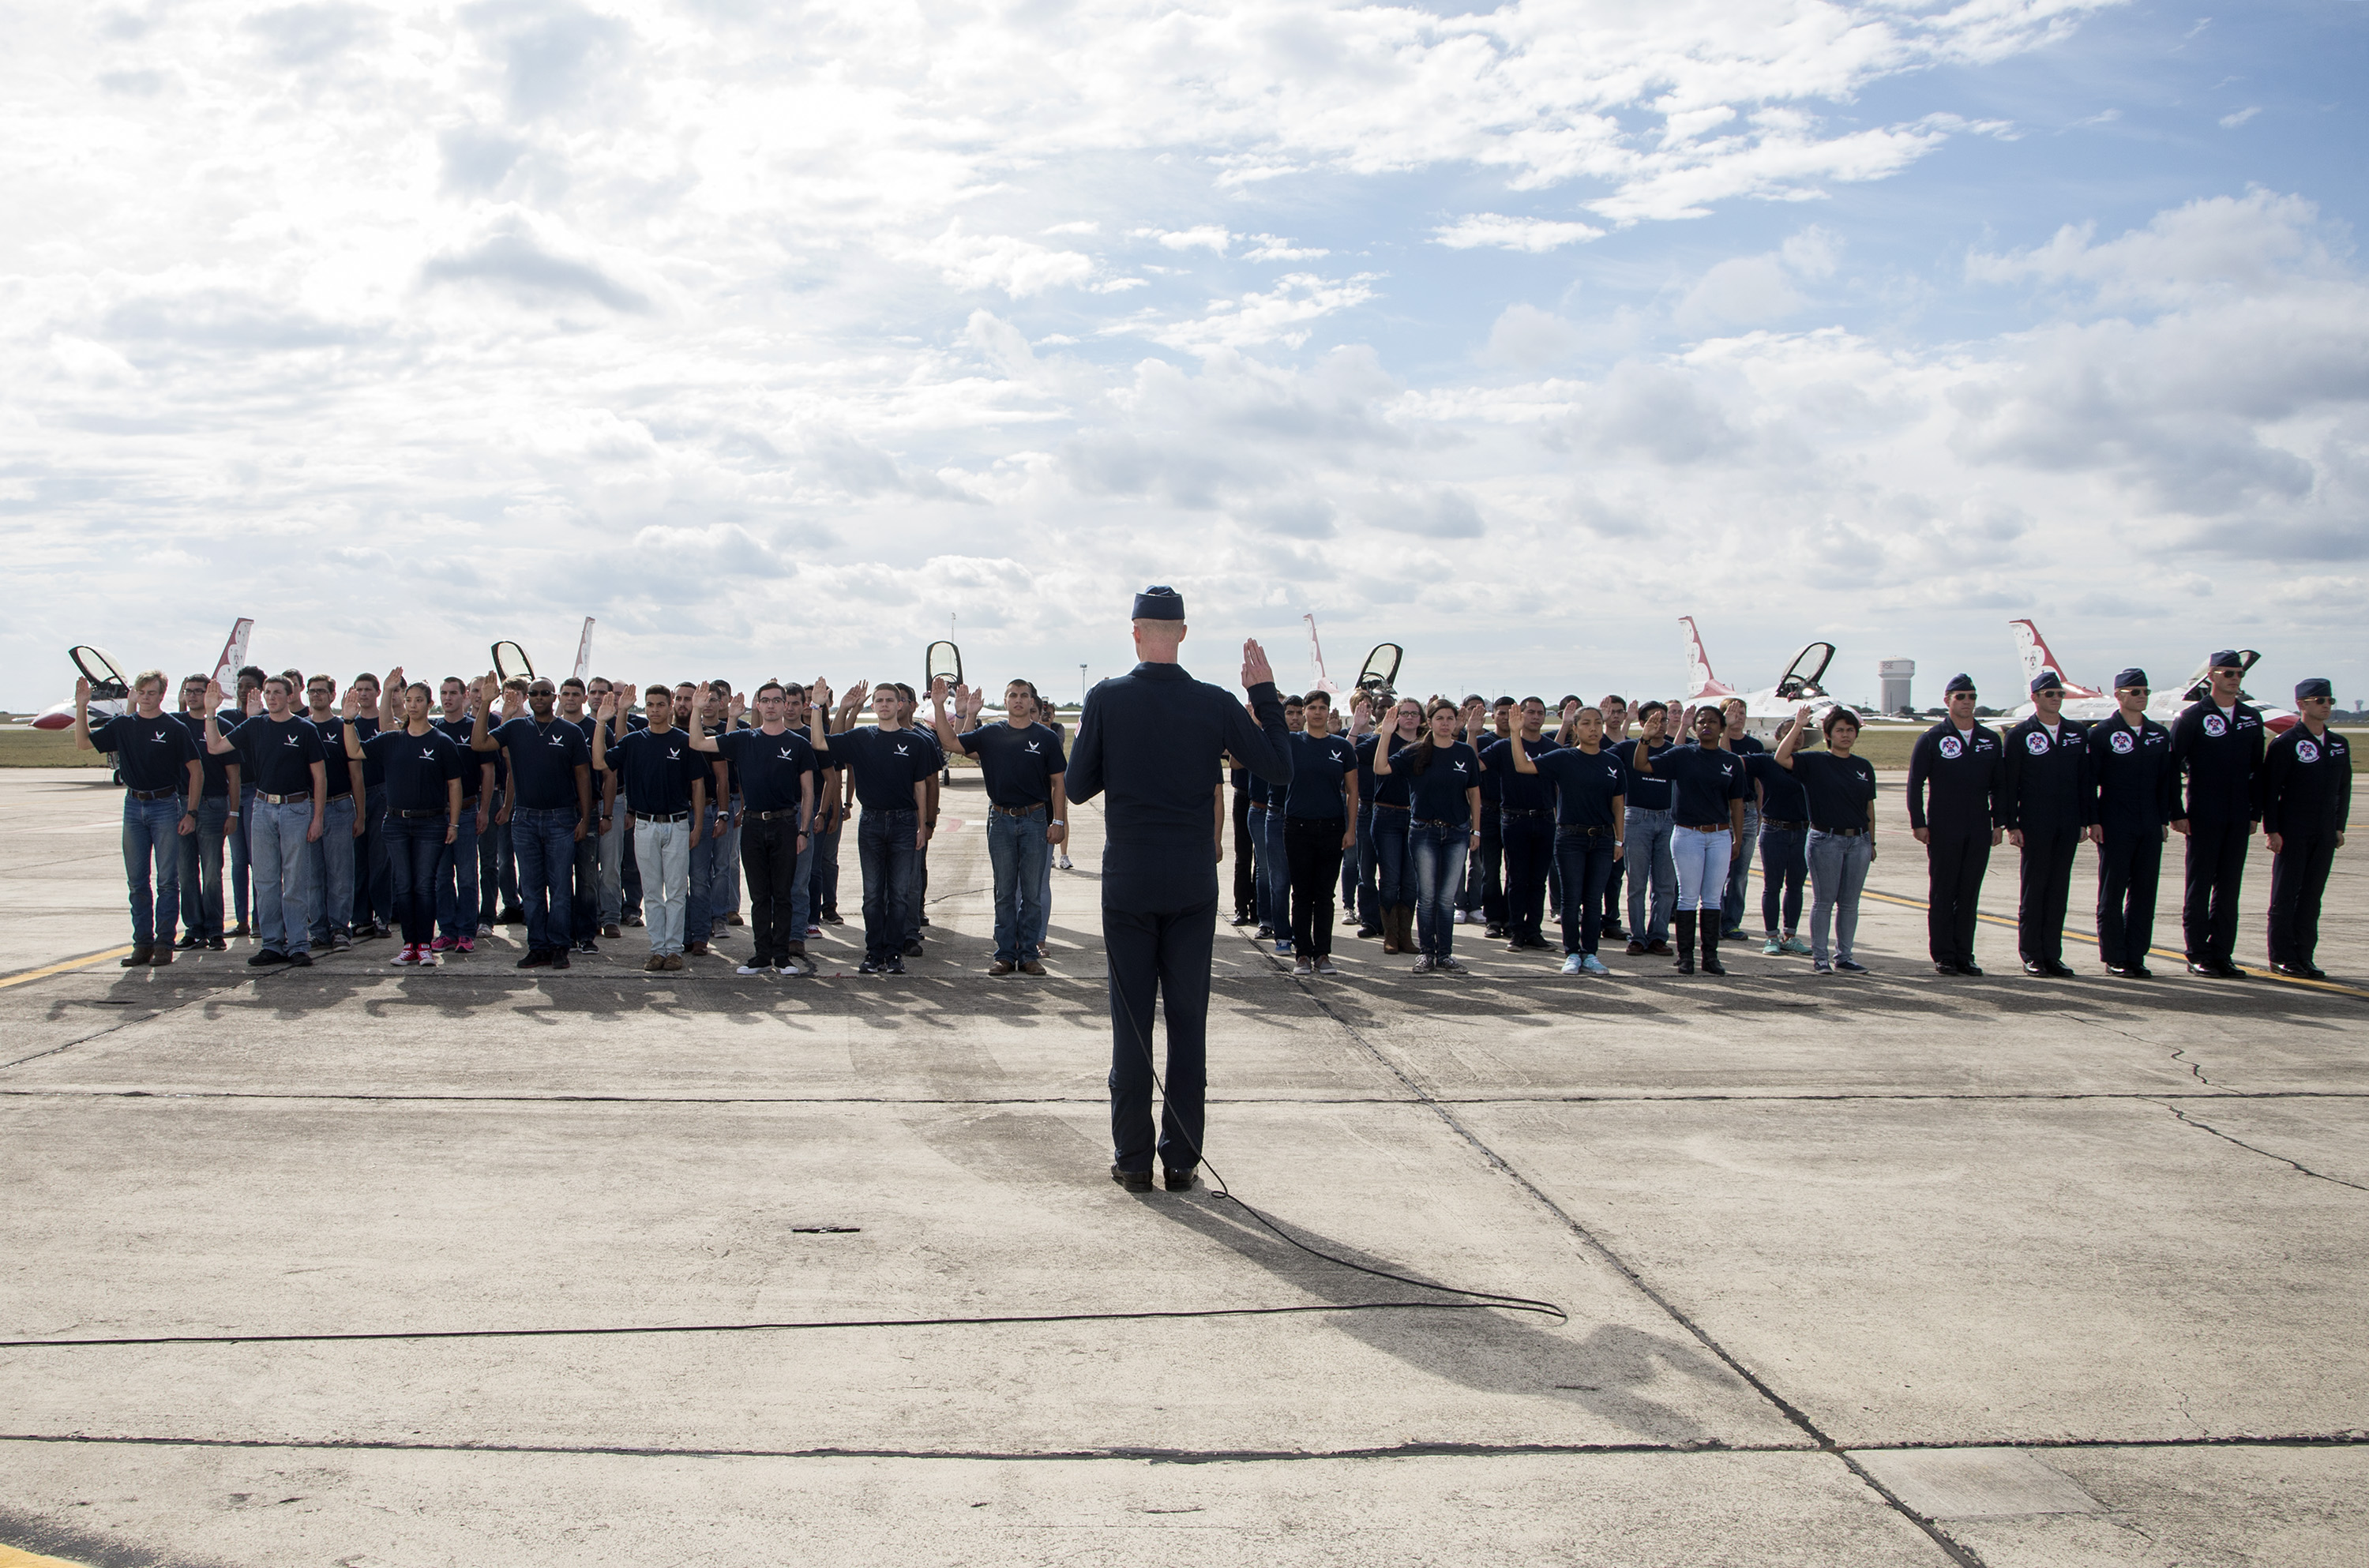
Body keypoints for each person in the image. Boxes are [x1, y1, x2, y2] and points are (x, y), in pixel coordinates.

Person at [1063, 586, 1291, 1191]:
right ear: (1184, 633)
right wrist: (1264, 695)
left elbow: (1077, 788)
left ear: (1135, 632)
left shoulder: (1107, 697)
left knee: (1132, 1026)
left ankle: (1134, 1160)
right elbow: (1279, 766)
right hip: (1191, 881)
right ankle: (1183, 1160)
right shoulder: (1215, 702)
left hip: (1130, 881)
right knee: (1189, 1025)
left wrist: (1098, 737)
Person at [933, 677, 1067, 976]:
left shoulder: (1045, 738)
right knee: (1004, 892)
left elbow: (1059, 782)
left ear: (1032, 701)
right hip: (1001, 819)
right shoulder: (991, 734)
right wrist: (941, 707)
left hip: (1035, 820)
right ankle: (1005, 954)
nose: (1018, 700)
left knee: (1032, 893)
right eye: (1012, 695)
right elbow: (951, 743)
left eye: (1023, 695)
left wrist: (1057, 821)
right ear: (1005, 701)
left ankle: (1029, 954)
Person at [690, 680, 817, 976]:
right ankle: (761, 956)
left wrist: (803, 831)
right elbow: (697, 743)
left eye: (777, 700)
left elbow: (808, 792)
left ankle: (782, 957)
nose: (771, 705)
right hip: (752, 825)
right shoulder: (743, 739)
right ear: (758, 705)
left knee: (782, 894)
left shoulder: (799, 744)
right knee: (759, 895)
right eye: (766, 701)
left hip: (785, 824)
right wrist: (696, 710)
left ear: (785, 705)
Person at [77, 670, 201, 967]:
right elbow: (83, 744)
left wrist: (191, 812)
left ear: (162, 695)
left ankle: (164, 943)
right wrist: (82, 705)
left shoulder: (174, 728)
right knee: (137, 881)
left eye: (152, 693)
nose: (146, 698)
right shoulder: (123, 725)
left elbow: (197, 771)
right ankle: (142, 944)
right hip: (133, 806)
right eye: (142, 693)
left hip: (165, 805)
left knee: (167, 881)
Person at [203, 673, 327, 967]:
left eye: (277, 692)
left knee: (295, 880)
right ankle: (271, 944)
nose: (271, 697)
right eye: (268, 692)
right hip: (262, 808)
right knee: (266, 880)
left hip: (295, 808)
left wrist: (317, 818)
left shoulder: (305, 729)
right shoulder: (255, 726)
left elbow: (320, 777)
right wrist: (211, 713)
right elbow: (215, 747)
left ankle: (298, 944)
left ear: (289, 696)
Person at [472, 673, 594, 970]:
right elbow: (479, 743)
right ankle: (538, 947)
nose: (540, 698)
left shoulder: (570, 732)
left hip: (561, 819)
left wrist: (584, 818)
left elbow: (583, 776)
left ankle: (560, 946)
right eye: (535, 693)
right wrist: (486, 703)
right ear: (528, 698)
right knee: (531, 888)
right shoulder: (515, 728)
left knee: (561, 887)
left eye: (545, 693)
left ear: (554, 698)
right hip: (525, 819)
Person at [343, 672, 464, 967]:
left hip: (431, 824)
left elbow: (454, 785)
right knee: (404, 886)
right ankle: (409, 945)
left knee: (424, 885)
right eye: (409, 699)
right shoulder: (391, 740)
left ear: (429, 704)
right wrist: (347, 721)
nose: (412, 705)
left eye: (419, 700)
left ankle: (425, 945)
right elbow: (355, 750)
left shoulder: (442, 742)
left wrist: (454, 823)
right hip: (396, 824)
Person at [814, 681, 933, 975]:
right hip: (871, 823)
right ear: (873, 705)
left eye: (890, 700)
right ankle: (874, 952)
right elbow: (821, 743)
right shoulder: (861, 737)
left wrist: (922, 826)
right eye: (879, 700)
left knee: (899, 894)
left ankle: (893, 954)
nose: (884, 705)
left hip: (905, 823)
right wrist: (823, 707)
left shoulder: (916, 742)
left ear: (900, 705)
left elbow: (921, 787)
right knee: (872, 895)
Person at [592, 682, 705, 971]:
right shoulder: (634, 742)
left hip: (678, 824)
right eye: (650, 705)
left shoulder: (685, 741)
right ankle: (657, 950)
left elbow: (698, 786)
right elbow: (599, 762)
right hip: (644, 825)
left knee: (676, 891)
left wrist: (698, 827)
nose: (655, 710)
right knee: (652, 892)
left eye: (660, 705)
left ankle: (674, 951)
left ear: (670, 706)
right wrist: (602, 722)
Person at [1627, 705, 1745, 975]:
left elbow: (1737, 803)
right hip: (1688, 834)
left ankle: (1710, 957)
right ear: (1694, 727)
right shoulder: (1682, 755)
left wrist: (1737, 838)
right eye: (1701, 721)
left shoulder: (1732, 762)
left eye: (1712, 722)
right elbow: (1641, 765)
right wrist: (1644, 739)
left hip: (1719, 835)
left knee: (1712, 898)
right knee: (1688, 897)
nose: (1706, 725)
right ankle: (1686, 956)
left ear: (1722, 728)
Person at [2170, 652, 2268, 979]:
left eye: (2239, 673)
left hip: (2238, 814)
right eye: (2228, 673)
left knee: (2229, 887)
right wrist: (2176, 812)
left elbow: (2257, 769)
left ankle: (2223, 953)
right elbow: (2172, 766)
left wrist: (2255, 812)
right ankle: (2198, 953)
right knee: (2199, 886)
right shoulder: (2193, 717)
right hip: (2203, 813)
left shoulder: (2250, 718)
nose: (2235, 678)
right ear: (2211, 675)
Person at [1508, 701, 1623, 975]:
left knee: (1594, 900)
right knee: (1571, 900)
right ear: (1575, 728)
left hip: (1603, 839)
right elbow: (1523, 766)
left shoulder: (1613, 762)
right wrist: (1514, 732)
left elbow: (1618, 803)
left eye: (1598, 723)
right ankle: (1572, 952)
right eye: (1586, 723)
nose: (1593, 729)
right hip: (1571, 838)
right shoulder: (1563, 757)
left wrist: (1619, 840)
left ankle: (1590, 953)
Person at [1372, 699, 1482, 973]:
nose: (1445, 723)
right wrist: (1386, 734)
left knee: (1446, 899)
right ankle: (1427, 953)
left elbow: (1474, 794)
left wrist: (1475, 830)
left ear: (1456, 722)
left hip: (1457, 833)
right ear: (1429, 722)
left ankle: (1445, 954)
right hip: (1424, 832)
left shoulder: (1465, 753)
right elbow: (1381, 768)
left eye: (1450, 718)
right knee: (1428, 897)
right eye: (1439, 718)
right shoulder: (1415, 752)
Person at [1906, 675, 2005, 976]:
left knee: (1969, 893)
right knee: (1943, 891)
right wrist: (1918, 823)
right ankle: (1944, 954)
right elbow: (1915, 783)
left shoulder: (1990, 739)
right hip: (1943, 825)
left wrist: (1998, 822)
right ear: (1947, 700)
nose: (1967, 702)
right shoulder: (1932, 738)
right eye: (1960, 696)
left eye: (1971, 696)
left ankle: (1964, 954)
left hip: (1978, 825)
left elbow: (1999, 785)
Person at [1999, 670, 2096, 978]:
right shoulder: (2020, 735)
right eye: (2049, 694)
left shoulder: (2076, 733)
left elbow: (2085, 781)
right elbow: (2009, 784)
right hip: (2034, 823)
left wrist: (2086, 820)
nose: (2056, 698)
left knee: (2058, 890)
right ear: (2035, 698)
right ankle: (2032, 954)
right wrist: (2011, 824)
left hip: (2067, 822)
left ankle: (2053, 954)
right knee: (2035, 889)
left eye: (2059, 694)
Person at [1774, 705, 1879, 974]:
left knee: (1850, 903)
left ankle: (1845, 956)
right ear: (1828, 735)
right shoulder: (1815, 762)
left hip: (1858, 841)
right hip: (1826, 840)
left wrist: (1871, 842)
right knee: (1824, 901)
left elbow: (1869, 807)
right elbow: (1782, 757)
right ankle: (1821, 957)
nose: (1846, 735)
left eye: (1850, 730)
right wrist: (1798, 725)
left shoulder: (1863, 767)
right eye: (1839, 730)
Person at [2088, 670, 2176, 977]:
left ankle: (2136, 954)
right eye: (2135, 691)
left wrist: (2163, 819)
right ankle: (2115, 955)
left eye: (2145, 691)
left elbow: (2166, 782)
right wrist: (2093, 820)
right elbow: (2089, 782)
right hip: (2115, 820)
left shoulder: (2158, 734)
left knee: (2144, 891)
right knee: (2112, 892)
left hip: (2149, 821)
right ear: (2119, 695)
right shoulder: (2102, 734)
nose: (2142, 696)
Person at [2260, 678, 2350, 980]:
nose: (2326, 706)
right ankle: (2282, 956)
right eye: (2320, 700)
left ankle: (2304, 955)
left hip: (2324, 831)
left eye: (2330, 701)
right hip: (2293, 829)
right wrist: (2272, 830)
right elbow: (2271, 791)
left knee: (2312, 896)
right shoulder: (2285, 743)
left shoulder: (2338, 744)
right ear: (2301, 704)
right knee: (2286, 895)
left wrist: (2339, 826)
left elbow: (2343, 789)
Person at [1278, 690, 1358, 977]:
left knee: (1325, 894)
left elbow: (1353, 792)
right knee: (1301, 894)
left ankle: (1322, 954)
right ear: (1304, 712)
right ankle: (1302, 954)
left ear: (1328, 712)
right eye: (1311, 708)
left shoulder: (1342, 747)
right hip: (1298, 827)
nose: (1316, 712)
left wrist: (1351, 829)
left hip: (1332, 828)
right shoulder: (1291, 743)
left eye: (1322, 708)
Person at [1481, 697, 1560, 952]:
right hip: (1514, 819)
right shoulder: (1504, 746)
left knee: (1538, 881)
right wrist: (1470, 733)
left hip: (1545, 819)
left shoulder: (1551, 748)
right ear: (1520, 715)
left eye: (1540, 713)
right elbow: (1475, 765)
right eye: (1531, 712)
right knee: (1517, 879)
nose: (1536, 717)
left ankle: (1533, 931)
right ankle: (1515, 931)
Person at [428, 677, 496, 954]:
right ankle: (447, 931)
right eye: (443, 693)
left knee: (467, 875)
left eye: (453, 693)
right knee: (441, 877)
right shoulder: (433, 730)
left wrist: (484, 810)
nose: (447, 698)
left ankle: (467, 931)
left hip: (468, 811)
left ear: (464, 695)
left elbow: (488, 771)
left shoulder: (474, 728)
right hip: (437, 815)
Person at [171, 672, 238, 953]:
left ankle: (214, 930)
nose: (193, 696)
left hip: (213, 805)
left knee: (211, 873)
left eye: (198, 691)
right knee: (185, 873)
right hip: (179, 804)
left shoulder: (222, 726)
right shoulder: (176, 725)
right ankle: (193, 929)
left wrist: (233, 813)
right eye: (188, 691)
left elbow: (234, 775)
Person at [300, 673, 366, 955]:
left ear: (332, 695)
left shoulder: (343, 727)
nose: (316, 695)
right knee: (312, 874)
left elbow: (356, 775)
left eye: (321, 691)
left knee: (340, 873)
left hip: (339, 806)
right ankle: (317, 930)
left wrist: (360, 815)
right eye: (312, 691)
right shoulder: (301, 728)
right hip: (306, 808)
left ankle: (340, 929)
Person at [1360, 694, 1424, 955]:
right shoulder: (1382, 739)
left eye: (1414, 713)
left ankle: (1405, 935)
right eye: (1404, 713)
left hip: (1417, 818)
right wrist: (1380, 732)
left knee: (1410, 881)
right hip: (1387, 816)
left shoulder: (1428, 744)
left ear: (1421, 719)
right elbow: (1351, 755)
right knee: (1390, 879)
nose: (1409, 718)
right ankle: (1389, 935)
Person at [1614, 702, 1678, 957]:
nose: (1659, 725)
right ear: (1642, 723)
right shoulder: (1627, 748)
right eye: (1653, 720)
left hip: (1668, 819)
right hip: (1637, 818)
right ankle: (1638, 937)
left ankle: (1658, 936)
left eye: (1663, 721)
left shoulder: (1674, 751)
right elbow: (1598, 753)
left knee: (1665, 885)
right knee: (1637, 884)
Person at [1744, 719, 1811, 958]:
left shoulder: (1809, 763)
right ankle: (1772, 937)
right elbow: (1729, 759)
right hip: (1775, 831)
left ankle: (1790, 936)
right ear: (1778, 737)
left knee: (1796, 886)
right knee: (1773, 886)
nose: (1798, 736)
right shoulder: (1766, 762)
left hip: (1802, 831)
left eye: (1801, 732)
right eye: (1791, 732)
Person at [347, 670, 392, 941]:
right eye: (359, 689)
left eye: (368, 689)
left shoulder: (384, 721)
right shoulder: (348, 723)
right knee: (358, 861)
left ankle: (382, 917)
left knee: (380, 860)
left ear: (377, 693)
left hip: (382, 794)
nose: (363, 694)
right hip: (354, 795)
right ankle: (360, 917)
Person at [1458, 696, 1508, 933]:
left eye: (1510, 712)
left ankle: (1509, 917)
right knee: (1488, 868)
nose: (1505, 717)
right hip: (1486, 809)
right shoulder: (1485, 741)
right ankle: (1491, 916)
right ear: (1494, 715)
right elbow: (1472, 766)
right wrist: (1471, 732)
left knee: (1514, 872)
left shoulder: (1521, 741)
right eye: (1501, 713)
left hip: (1514, 811)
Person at [1718, 698, 1766, 939]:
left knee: (1740, 874)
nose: (1739, 717)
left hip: (1748, 811)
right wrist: (1726, 728)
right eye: (1733, 713)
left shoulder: (1754, 745)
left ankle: (1732, 922)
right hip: (1722, 812)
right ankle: (1714, 921)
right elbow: (1725, 759)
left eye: (1743, 713)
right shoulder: (1716, 743)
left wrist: (1759, 812)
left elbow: (1758, 781)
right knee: (1719, 872)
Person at [1595, 694, 1631, 941]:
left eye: (1620, 712)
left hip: (1622, 815)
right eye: (1611, 712)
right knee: (1595, 876)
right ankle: (1591, 918)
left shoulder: (1631, 744)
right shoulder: (1599, 741)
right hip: (1598, 814)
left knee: (1616, 876)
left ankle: (1611, 920)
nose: (1615, 716)